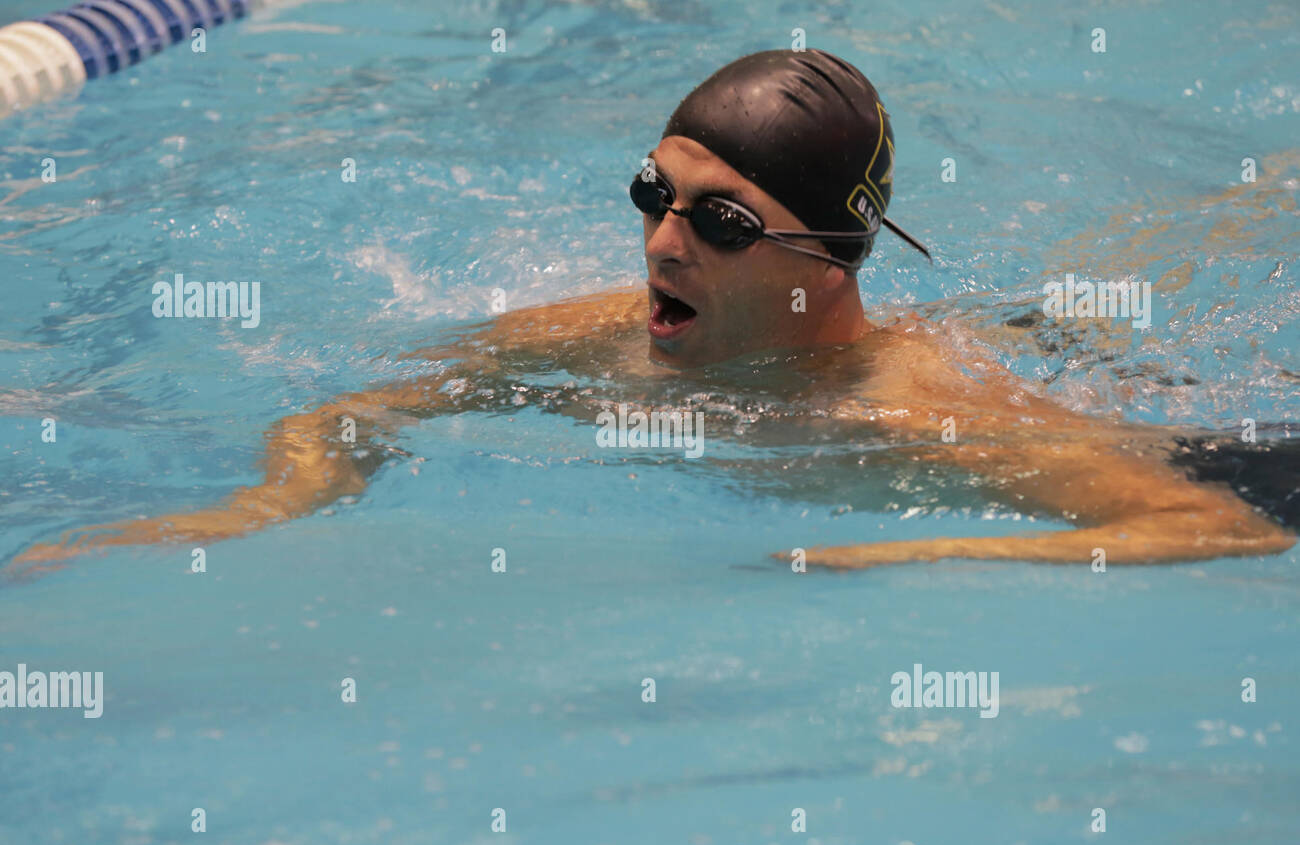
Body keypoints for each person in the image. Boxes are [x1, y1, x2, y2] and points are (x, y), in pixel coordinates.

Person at [10, 50, 1294, 575]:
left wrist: (908, 558)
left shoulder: (920, 415)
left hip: (1193, 432)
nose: (660, 241)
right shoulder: (595, 336)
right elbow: (356, 405)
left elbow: (1210, 523)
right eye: (653, 192)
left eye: (718, 219)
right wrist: (267, 503)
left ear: (824, 260)